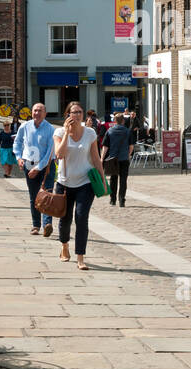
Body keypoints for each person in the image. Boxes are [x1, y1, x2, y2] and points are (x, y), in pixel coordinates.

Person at [53, 101, 103, 270]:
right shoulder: (59, 132)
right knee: (65, 219)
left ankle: (80, 257)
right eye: (73, 112)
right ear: (68, 115)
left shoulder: (90, 133)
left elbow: (96, 158)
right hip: (65, 183)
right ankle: (64, 245)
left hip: (85, 183)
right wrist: (67, 133)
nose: (77, 115)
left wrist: (103, 178)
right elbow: (59, 154)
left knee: (81, 218)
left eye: (80, 112)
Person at [15, 103, 56, 236]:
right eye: (35, 111)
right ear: (31, 112)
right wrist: (19, 158)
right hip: (29, 164)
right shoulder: (25, 126)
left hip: (47, 166)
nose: (37, 113)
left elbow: (50, 152)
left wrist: (38, 168)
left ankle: (47, 224)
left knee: (47, 195)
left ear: (45, 113)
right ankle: (36, 225)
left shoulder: (50, 129)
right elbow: (17, 142)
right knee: (34, 196)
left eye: (40, 111)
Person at [101, 113, 134, 208]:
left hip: (113, 159)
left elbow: (105, 147)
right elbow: (131, 146)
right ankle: (122, 200)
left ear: (115, 121)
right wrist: (128, 154)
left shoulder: (110, 131)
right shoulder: (128, 131)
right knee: (123, 180)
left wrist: (102, 158)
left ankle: (112, 200)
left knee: (113, 179)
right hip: (124, 158)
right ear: (123, 121)